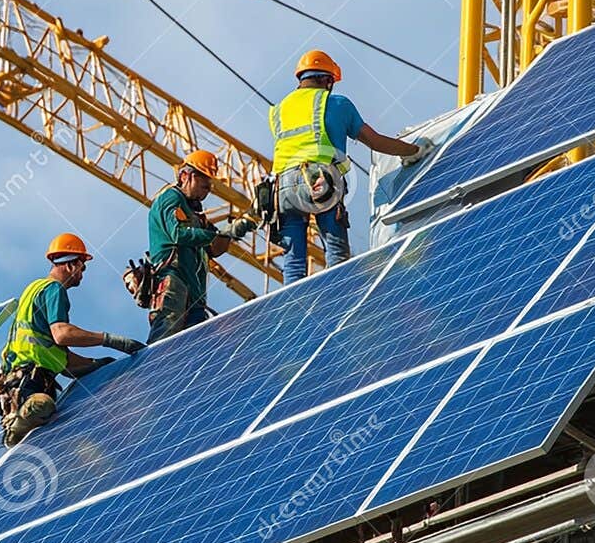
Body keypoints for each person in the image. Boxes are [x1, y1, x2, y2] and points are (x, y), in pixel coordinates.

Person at [268, 50, 434, 284]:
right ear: (327, 80)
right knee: (336, 251)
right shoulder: (336, 103)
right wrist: (414, 151)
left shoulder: (278, 111)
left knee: (293, 261)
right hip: (319, 179)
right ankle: (339, 296)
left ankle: (297, 312)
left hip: (282, 189)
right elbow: (374, 141)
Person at [0, 233, 146, 446]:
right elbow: (62, 333)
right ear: (70, 265)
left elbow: (55, 354)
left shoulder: (33, 288)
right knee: (43, 405)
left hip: (18, 382)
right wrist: (109, 340)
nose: (82, 275)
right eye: (81, 268)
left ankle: (20, 422)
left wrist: (96, 365)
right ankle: (21, 421)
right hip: (31, 385)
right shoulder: (54, 289)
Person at [146, 150, 256, 343]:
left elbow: (215, 248)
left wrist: (235, 229)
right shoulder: (171, 198)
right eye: (203, 179)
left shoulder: (196, 215)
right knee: (164, 340)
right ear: (185, 176)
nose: (208, 187)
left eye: (210, 182)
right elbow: (178, 234)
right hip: (174, 281)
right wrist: (218, 234)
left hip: (195, 292)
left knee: (195, 346)